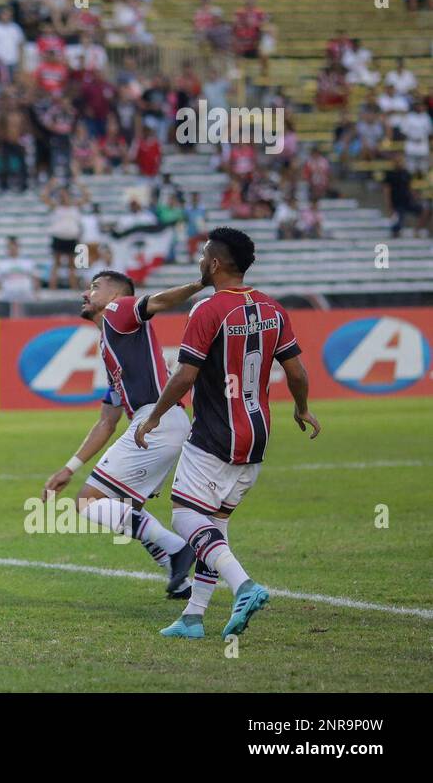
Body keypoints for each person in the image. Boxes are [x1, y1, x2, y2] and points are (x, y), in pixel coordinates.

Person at [136, 228, 320, 640]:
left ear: (216, 263)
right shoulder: (273, 308)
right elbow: (295, 370)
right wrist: (303, 407)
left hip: (215, 436)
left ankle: (245, 586)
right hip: (257, 436)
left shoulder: (207, 310)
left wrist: (154, 418)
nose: (200, 262)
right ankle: (193, 616)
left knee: (185, 516)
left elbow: (185, 375)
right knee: (213, 527)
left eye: (204, 256)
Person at [42, 271, 206, 593]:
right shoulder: (112, 343)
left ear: (116, 296)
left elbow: (158, 301)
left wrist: (200, 283)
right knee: (127, 510)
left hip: (155, 421)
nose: (85, 294)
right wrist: (70, 468)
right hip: (160, 423)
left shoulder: (119, 311)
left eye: (94, 288)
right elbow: (106, 421)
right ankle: (178, 580)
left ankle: (177, 548)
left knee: (88, 504)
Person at [0, 236, 39, 303]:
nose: (12, 249)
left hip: (26, 298)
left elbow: (35, 280)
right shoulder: (1, 264)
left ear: (18, 247)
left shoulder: (28, 262)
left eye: (14, 246)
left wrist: (37, 295)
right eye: (10, 247)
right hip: (7, 298)